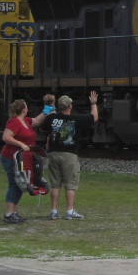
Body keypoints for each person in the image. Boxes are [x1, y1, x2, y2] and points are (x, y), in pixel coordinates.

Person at [46, 91, 99, 220]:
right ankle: (69, 211)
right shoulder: (74, 119)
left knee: (55, 183)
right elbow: (94, 118)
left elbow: (43, 128)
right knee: (70, 183)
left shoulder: (51, 118)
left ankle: (53, 211)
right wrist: (93, 103)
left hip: (53, 154)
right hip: (69, 155)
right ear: (70, 106)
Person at [0, 99, 49, 224]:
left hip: (22, 158)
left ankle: (13, 212)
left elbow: (37, 121)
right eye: (26, 107)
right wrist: (21, 144)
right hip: (11, 157)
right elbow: (6, 137)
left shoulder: (25, 121)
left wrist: (46, 110)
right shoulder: (14, 122)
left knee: (21, 183)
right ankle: (9, 213)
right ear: (23, 109)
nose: (28, 109)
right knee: (15, 183)